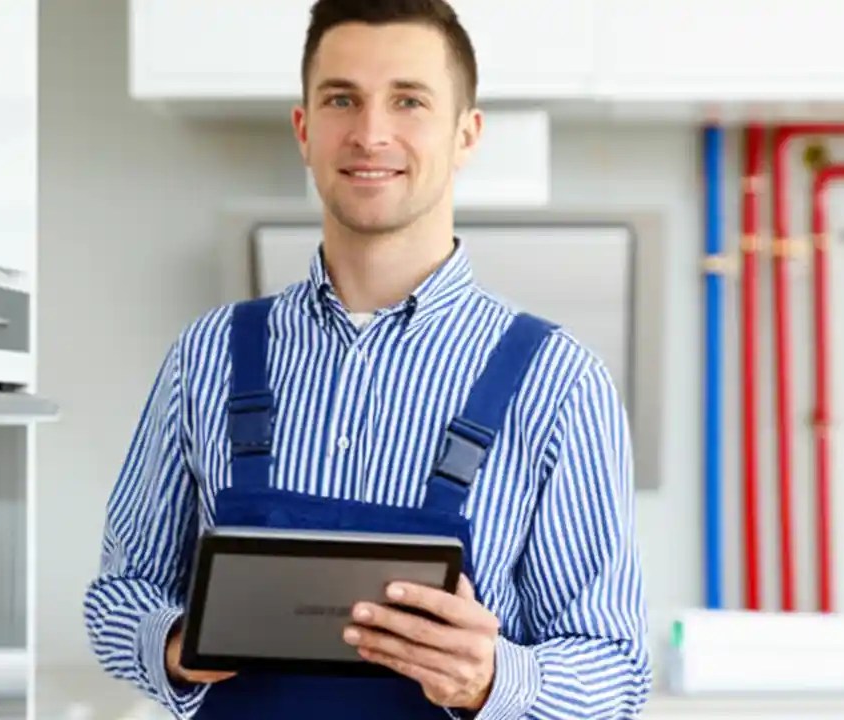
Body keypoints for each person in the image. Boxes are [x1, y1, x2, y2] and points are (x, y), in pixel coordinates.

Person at [82, 0, 652, 717]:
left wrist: (491, 679)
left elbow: (616, 673)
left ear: (466, 134)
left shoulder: (561, 383)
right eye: (341, 99)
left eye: (408, 100)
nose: (371, 133)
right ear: (305, 129)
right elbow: (119, 593)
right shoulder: (208, 357)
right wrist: (171, 643)